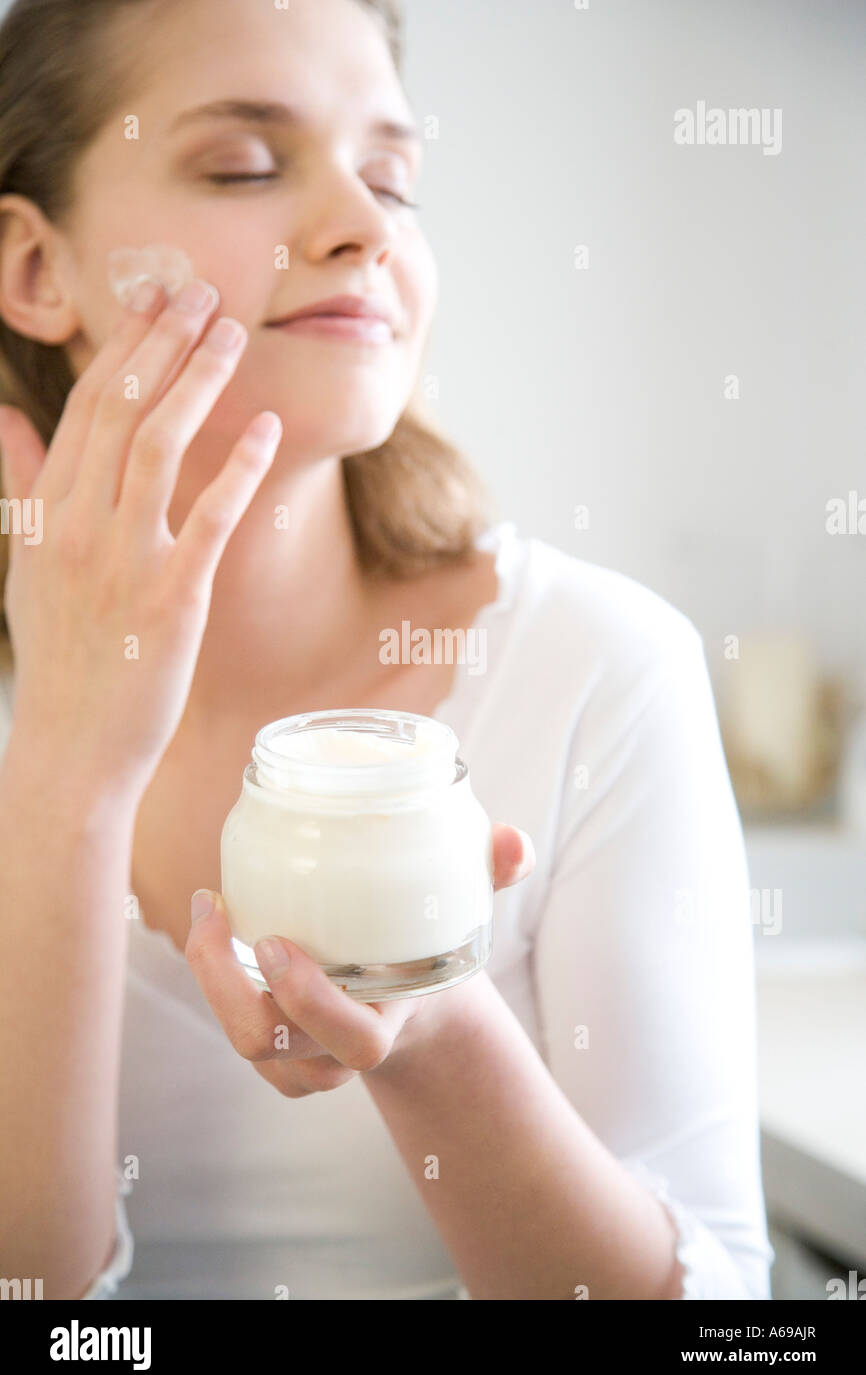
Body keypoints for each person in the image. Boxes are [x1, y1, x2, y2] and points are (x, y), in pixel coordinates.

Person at [0, 0, 774, 1300]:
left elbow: (724, 1329)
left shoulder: (598, 669)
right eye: (243, 164)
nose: (363, 225)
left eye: (393, 178)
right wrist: (68, 775)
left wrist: (430, 1031)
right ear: (34, 270)